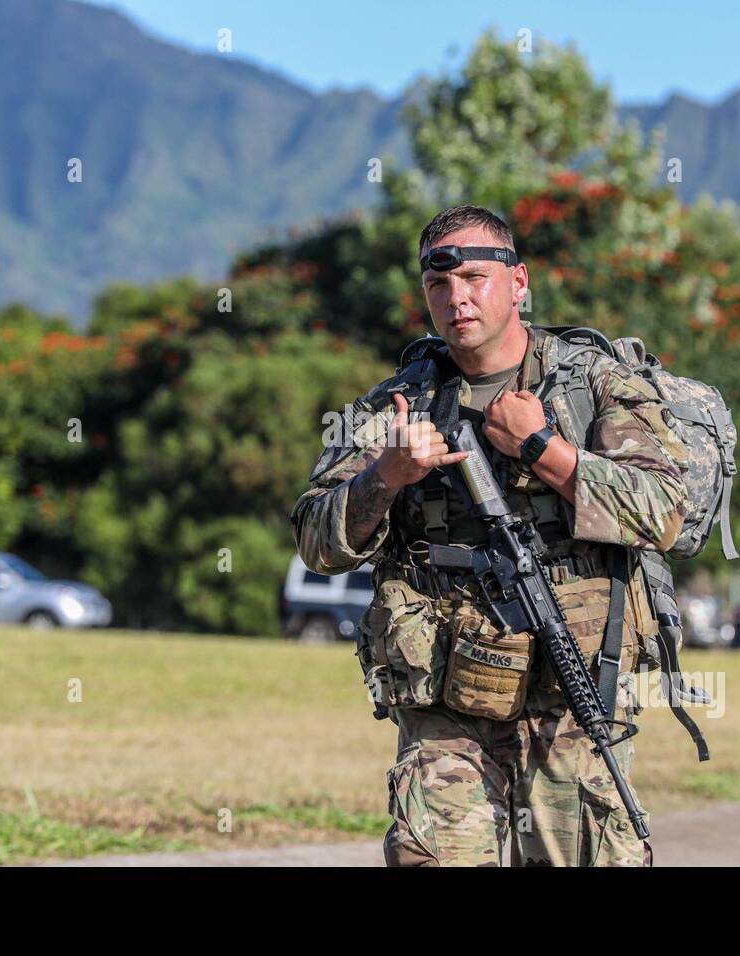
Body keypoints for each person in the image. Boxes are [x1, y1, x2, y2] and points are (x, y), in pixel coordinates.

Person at [290, 204, 689, 866]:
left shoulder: (592, 385)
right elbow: (315, 539)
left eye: (475, 277)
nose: (456, 299)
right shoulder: (395, 406)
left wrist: (542, 449)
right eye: (438, 286)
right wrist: (386, 476)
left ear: (519, 282)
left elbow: (662, 515)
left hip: (570, 701)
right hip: (447, 708)